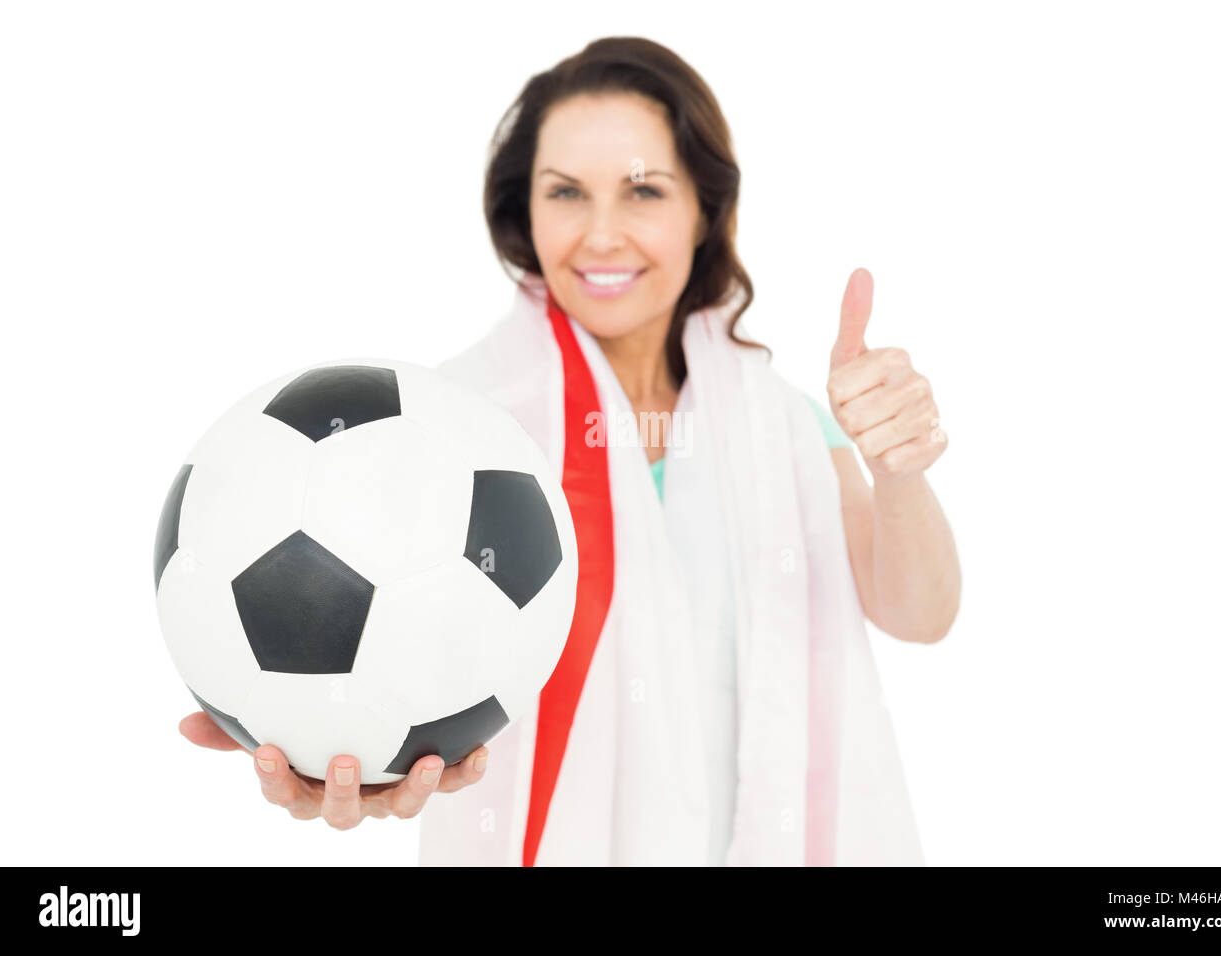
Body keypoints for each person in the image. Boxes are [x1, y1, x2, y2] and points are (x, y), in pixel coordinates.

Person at [180, 36, 961, 864]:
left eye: (643, 191)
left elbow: (922, 613)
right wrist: (346, 748)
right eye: (565, 193)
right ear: (527, 212)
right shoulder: (450, 431)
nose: (601, 236)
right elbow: (380, 644)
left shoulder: (789, 423)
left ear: (704, 207)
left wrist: (899, 472)